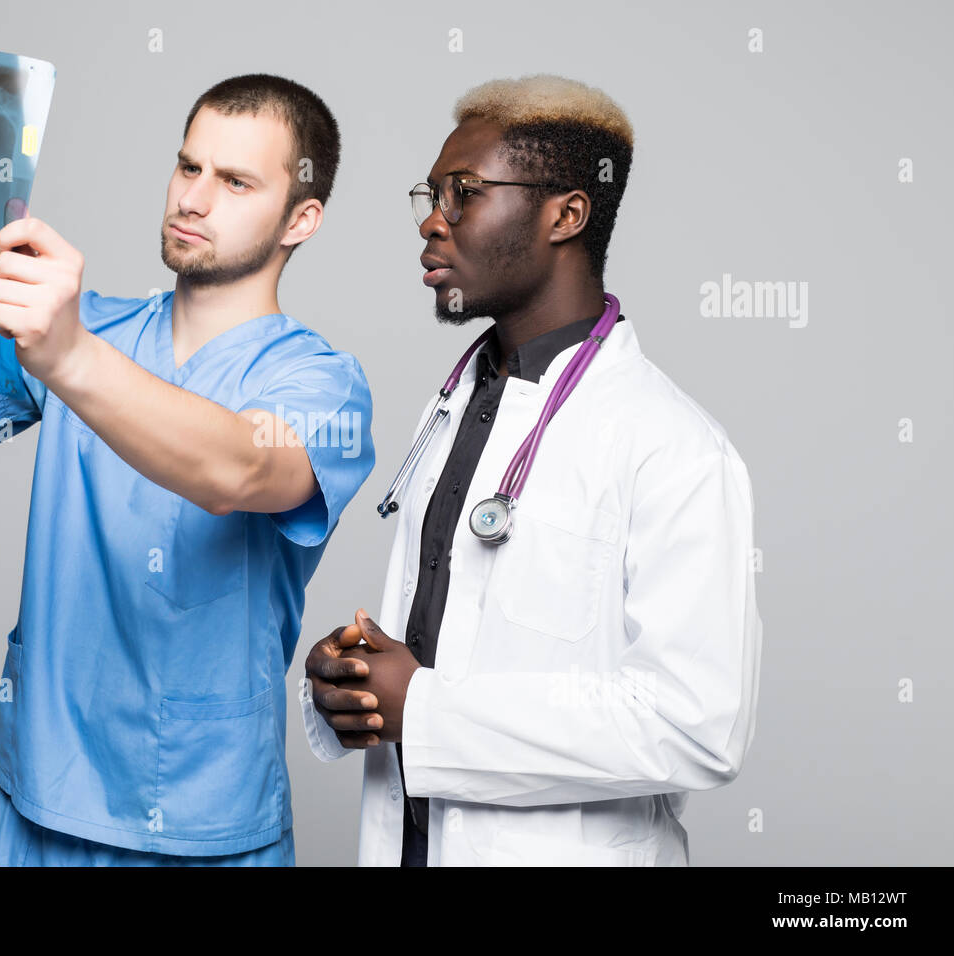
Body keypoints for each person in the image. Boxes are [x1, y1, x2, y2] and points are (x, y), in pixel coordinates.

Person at [0, 73, 374, 866]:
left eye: (234, 181)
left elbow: (241, 470)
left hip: (201, 824)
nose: (193, 199)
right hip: (36, 803)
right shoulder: (87, 327)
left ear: (302, 217)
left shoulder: (323, 383)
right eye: (188, 167)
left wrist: (71, 358)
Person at [301, 74, 761, 866]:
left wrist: (427, 708)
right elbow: (436, 653)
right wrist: (352, 692)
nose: (431, 224)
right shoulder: (451, 409)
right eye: (430, 194)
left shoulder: (675, 447)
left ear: (567, 214)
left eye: (465, 193)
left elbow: (698, 725)